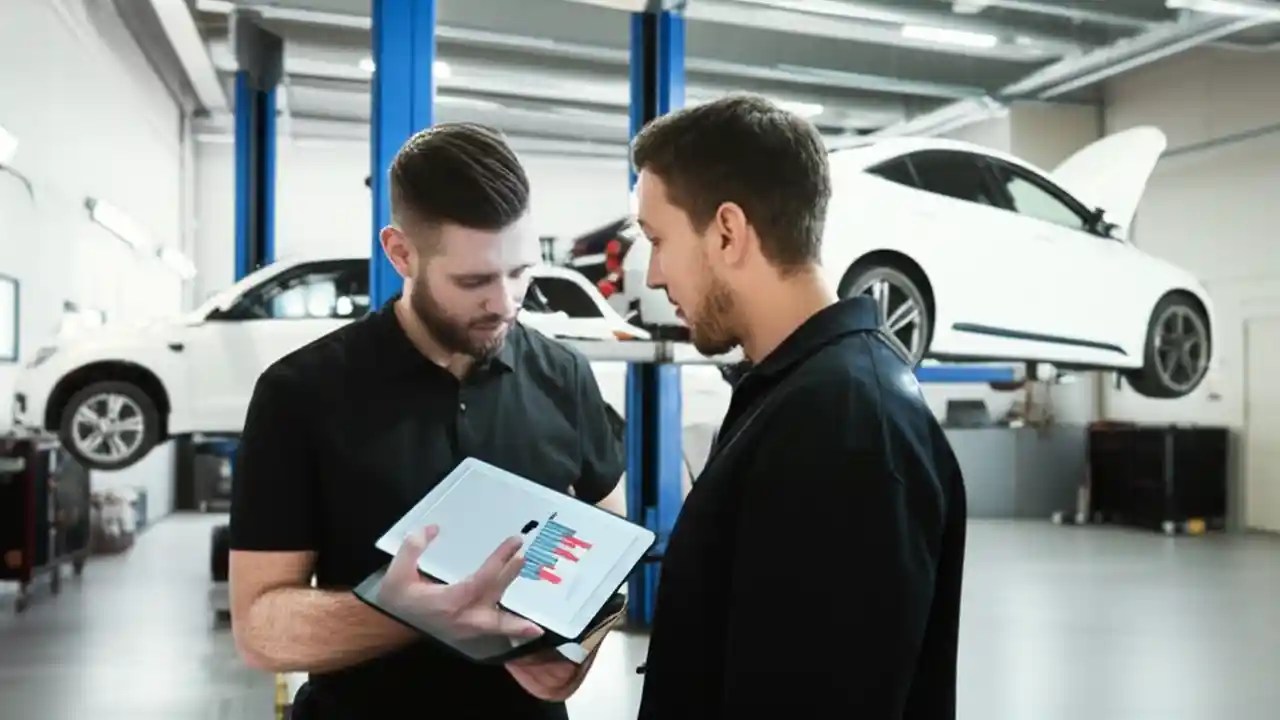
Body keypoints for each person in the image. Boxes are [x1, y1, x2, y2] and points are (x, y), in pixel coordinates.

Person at [228, 122, 626, 719]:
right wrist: (405, 614)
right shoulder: (300, 394)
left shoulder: (564, 375)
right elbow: (260, 628)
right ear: (400, 253)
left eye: (519, 272)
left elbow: (607, 550)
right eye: (472, 281)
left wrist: (578, 650)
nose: (504, 302)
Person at [629, 94, 968, 717]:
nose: (652, 276)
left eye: (657, 240)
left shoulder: (847, 427)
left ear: (728, 232)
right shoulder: (794, 392)